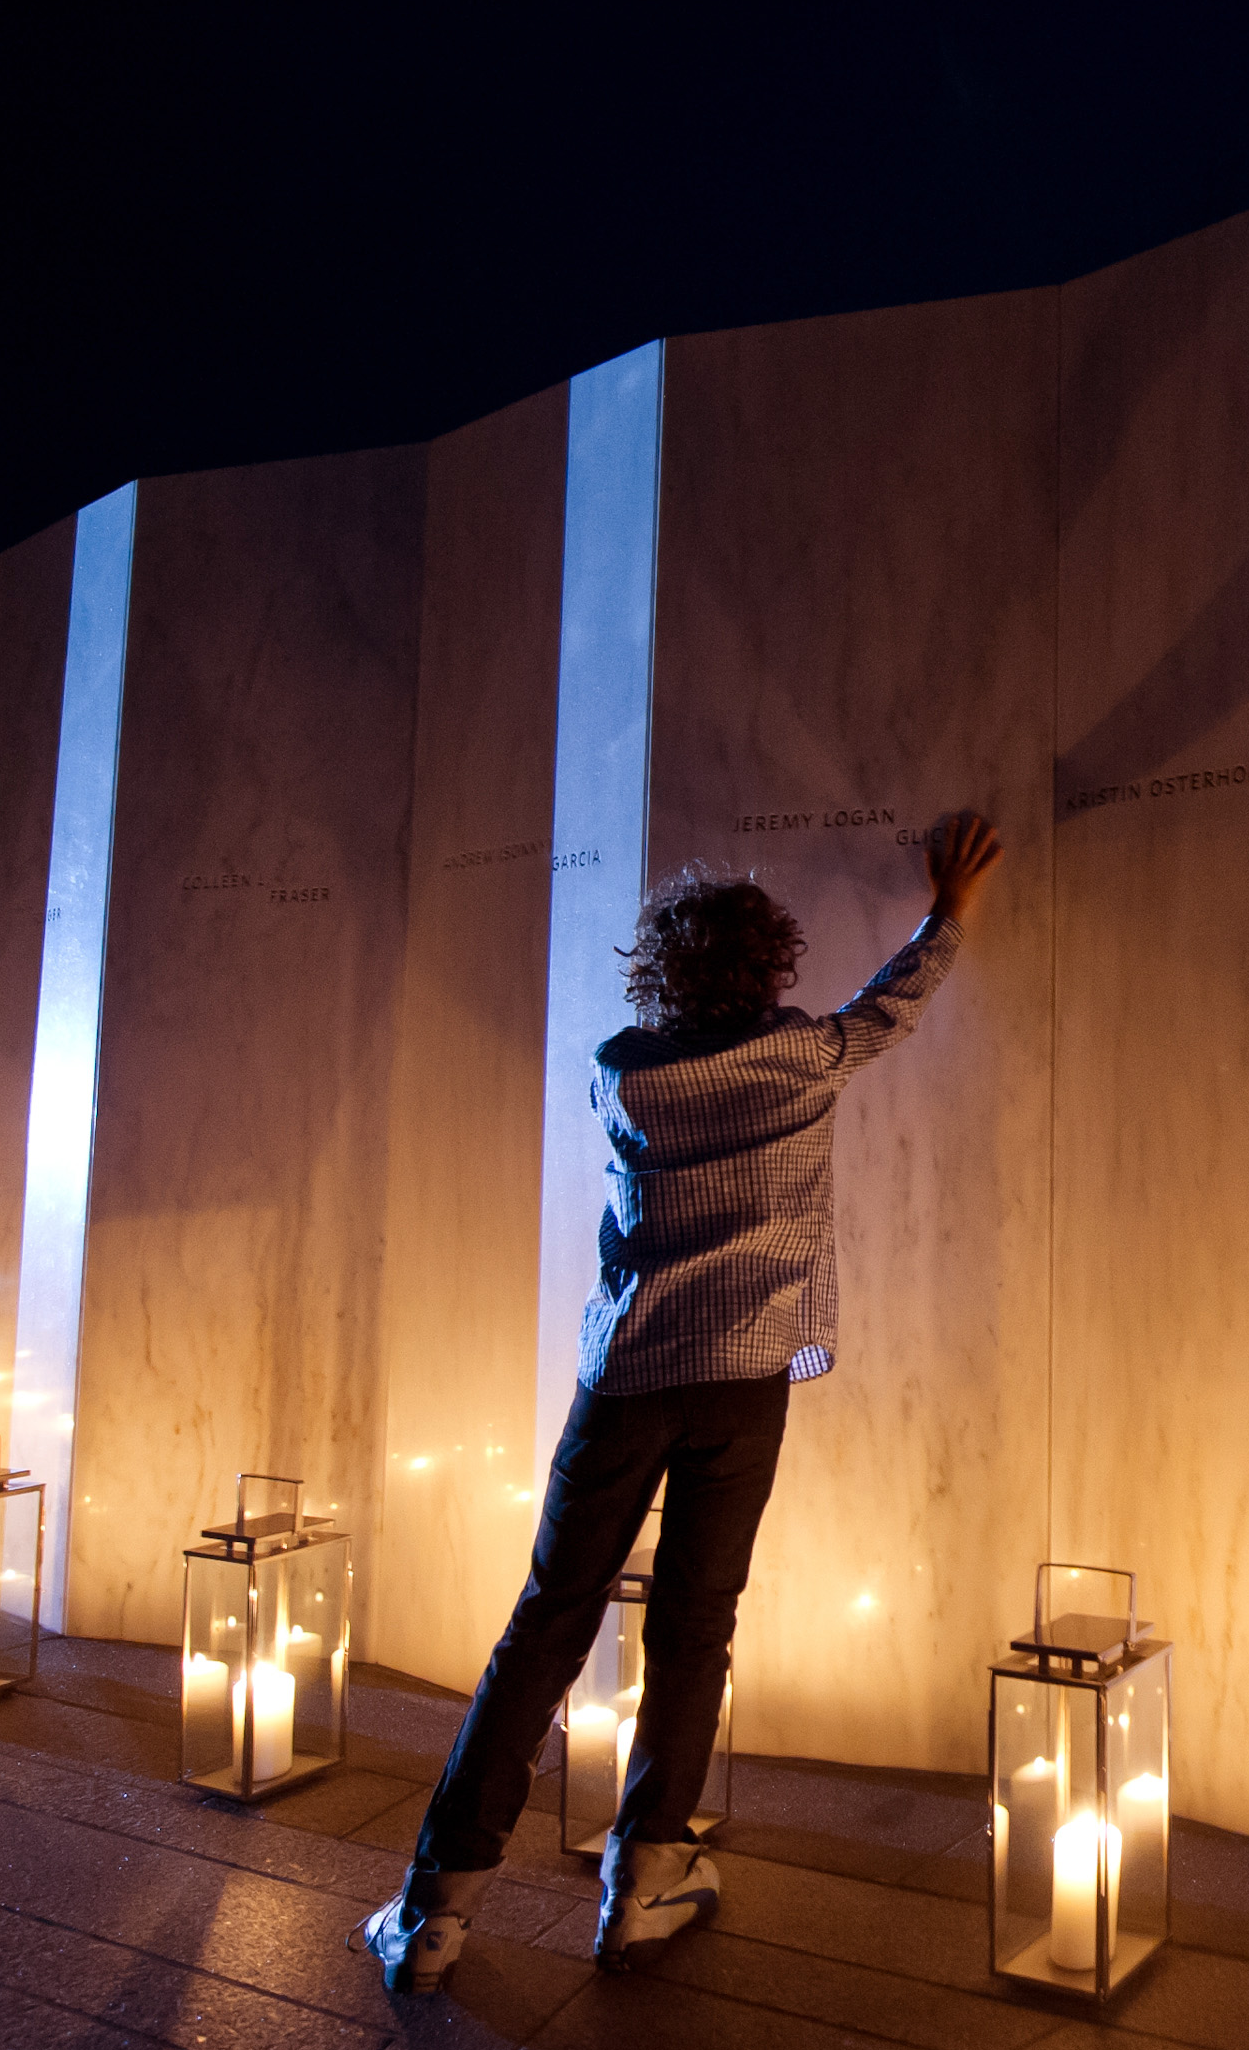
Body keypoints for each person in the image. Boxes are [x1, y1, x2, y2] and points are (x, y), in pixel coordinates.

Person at [359, 808, 1004, 1987]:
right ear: (771, 965)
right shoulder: (807, 1056)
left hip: (630, 1377)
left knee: (547, 1622)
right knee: (695, 1625)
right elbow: (893, 1006)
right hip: (744, 1385)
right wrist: (946, 910)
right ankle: (647, 1884)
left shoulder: (623, 1073)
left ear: (658, 972)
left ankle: (437, 1908)